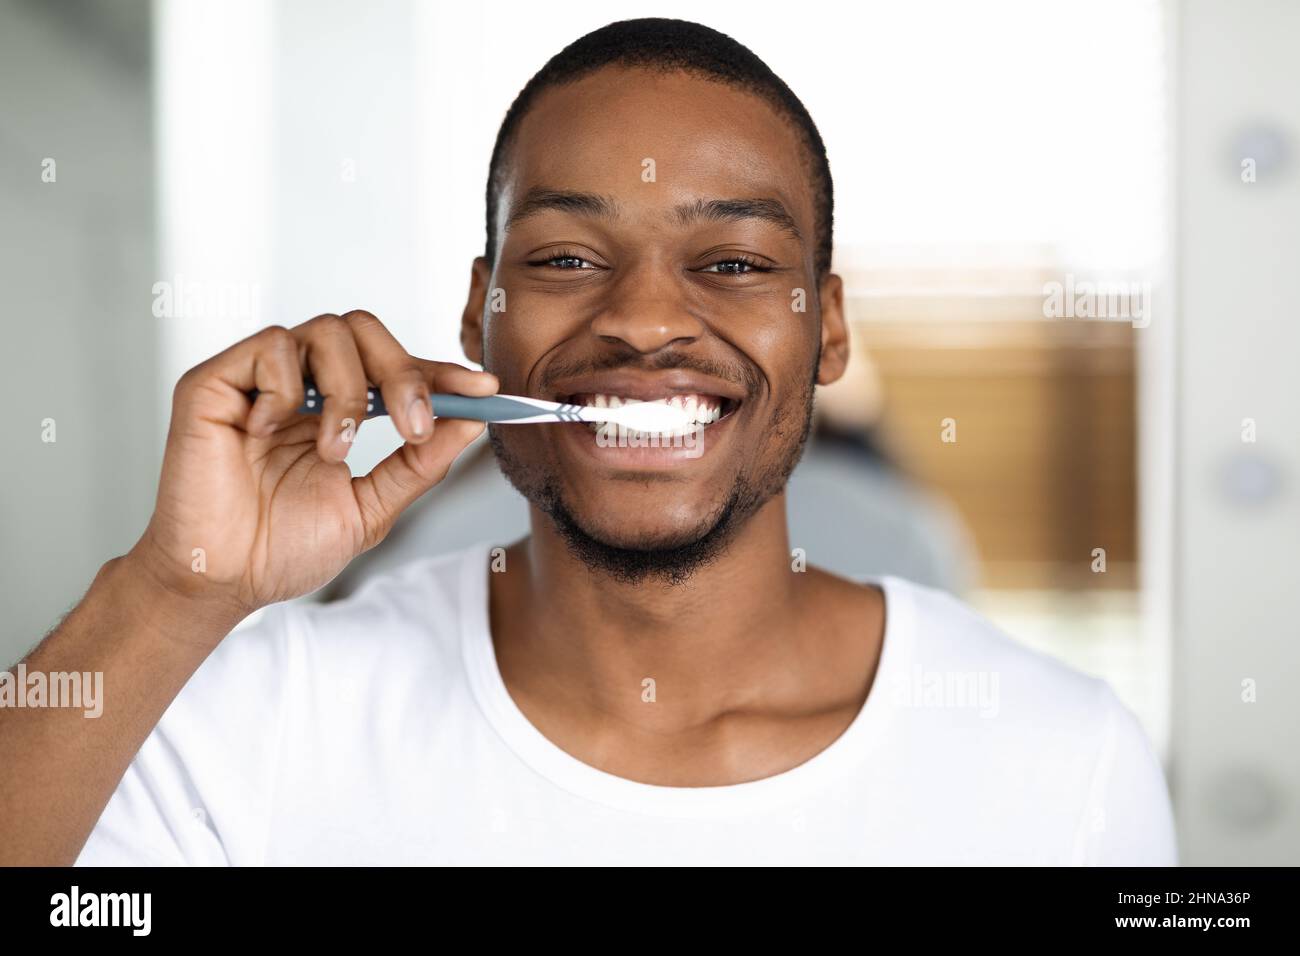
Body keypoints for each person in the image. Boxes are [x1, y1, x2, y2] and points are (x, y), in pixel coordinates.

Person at [0, 18, 1176, 865]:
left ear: (828, 329)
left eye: (733, 263)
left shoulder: (1058, 760)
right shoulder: (250, 720)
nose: (646, 318)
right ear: (478, 317)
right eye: (565, 258)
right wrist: (171, 588)